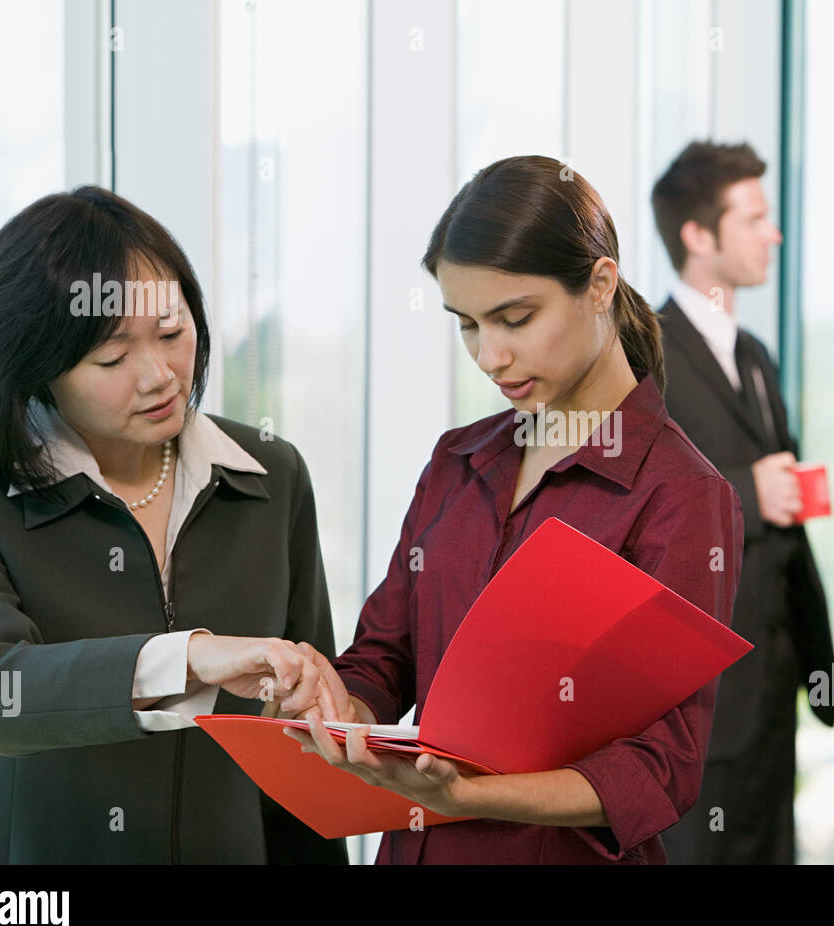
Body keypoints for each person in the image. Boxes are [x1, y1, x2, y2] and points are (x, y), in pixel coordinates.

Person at [282, 155, 745, 864]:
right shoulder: (457, 462)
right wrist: (338, 708)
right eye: (466, 324)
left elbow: (661, 765)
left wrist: (470, 797)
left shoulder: (681, 496)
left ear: (599, 285)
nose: (489, 355)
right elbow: (386, 656)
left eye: (515, 318)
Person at [0, 186, 344, 864]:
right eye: (112, 359)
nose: (160, 377)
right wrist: (192, 657)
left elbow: (302, 729)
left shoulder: (272, 476)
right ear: (39, 370)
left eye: (173, 334)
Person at [648, 140, 834, 864]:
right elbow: (633, 496)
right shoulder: (647, 352)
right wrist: (747, 493)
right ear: (699, 236)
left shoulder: (756, 352)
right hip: (701, 683)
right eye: (755, 218)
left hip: (772, 671)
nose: (773, 234)